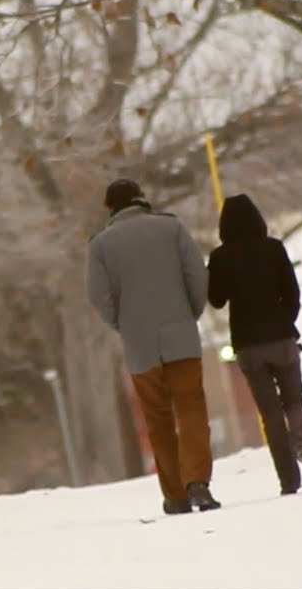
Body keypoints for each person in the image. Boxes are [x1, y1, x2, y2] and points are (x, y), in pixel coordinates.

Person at [86, 178, 220, 514]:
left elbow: (99, 299)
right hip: (181, 337)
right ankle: (198, 484)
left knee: (157, 417)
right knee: (191, 408)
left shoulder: (100, 246)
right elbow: (197, 278)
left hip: (140, 345)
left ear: (109, 208)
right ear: (141, 199)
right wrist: (188, 313)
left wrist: (126, 325)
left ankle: (175, 494)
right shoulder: (172, 229)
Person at [207, 193, 302, 496]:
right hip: (281, 338)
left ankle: (288, 479)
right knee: (295, 400)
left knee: (270, 412)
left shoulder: (221, 257)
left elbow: (216, 300)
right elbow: (292, 292)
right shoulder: (273, 249)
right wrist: (285, 321)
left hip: (248, 345)